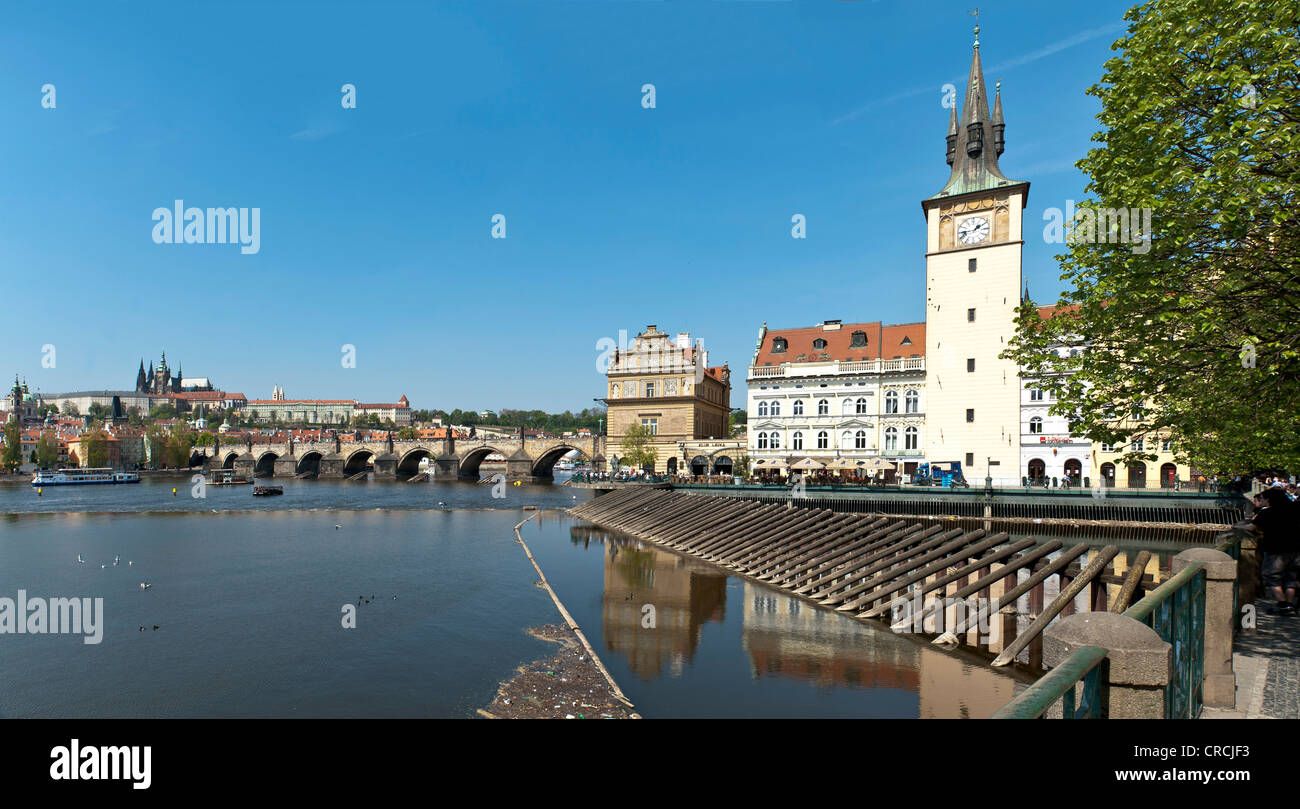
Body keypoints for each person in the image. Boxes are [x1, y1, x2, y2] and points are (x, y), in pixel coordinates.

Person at [1250, 488, 1300, 616]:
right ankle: (1289, 606)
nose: (1263, 501)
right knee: (1291, 578)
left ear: (1269, 499)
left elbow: (1251, 527)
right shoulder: (1295, 509)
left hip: (1276, 549)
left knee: (1271, 576)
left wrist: (1236, 526)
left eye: (1264, 499)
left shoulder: (1267, 513)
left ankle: (1283, 604)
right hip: (1295, 549)